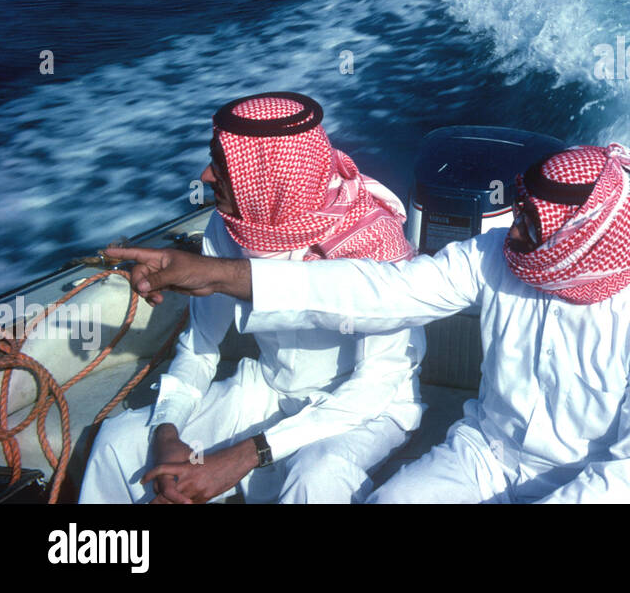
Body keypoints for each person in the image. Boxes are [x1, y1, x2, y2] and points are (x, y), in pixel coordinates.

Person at [114, 142, 630, 503]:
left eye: (527, 221)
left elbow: (629, 476)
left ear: (581, 236)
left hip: (591, 483)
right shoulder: (501, 260)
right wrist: (215, 275)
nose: (509, 228)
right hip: (486, 453)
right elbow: (380, 292)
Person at [81, 92, 426, 504]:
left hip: (367, 408)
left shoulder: (375, 242)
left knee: (315, 478)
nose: (206, 176)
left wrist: (244, 456)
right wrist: (167, 430)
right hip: (269, 388)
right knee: (118, 443)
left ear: (266, 178)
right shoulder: (228, 227)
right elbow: (200, 345)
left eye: (221, 166)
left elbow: (373, 388)